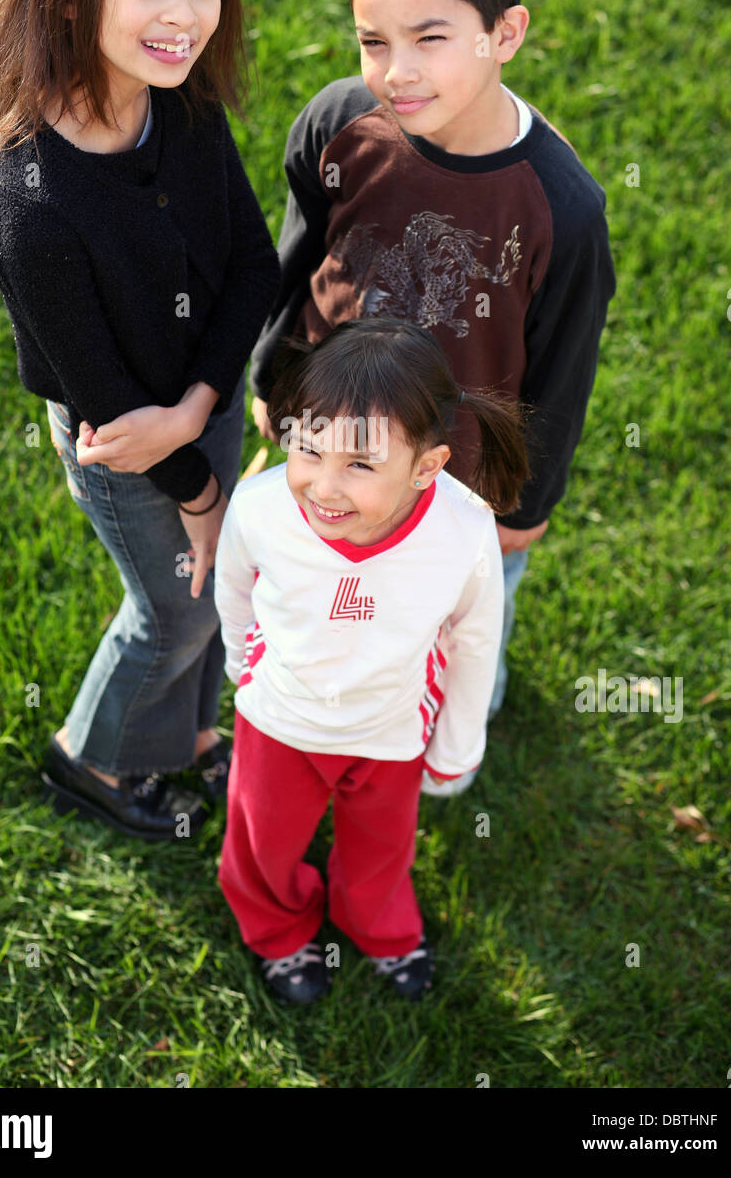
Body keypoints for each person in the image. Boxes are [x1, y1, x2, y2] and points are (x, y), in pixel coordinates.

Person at [247, 0, 615, 794]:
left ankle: (452, 734)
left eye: (431, 38)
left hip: (466, 474)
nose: (396, 71)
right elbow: (296, 263)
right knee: (335, 582)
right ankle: (328, 697)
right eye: (374, 42)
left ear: (506, 32)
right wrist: (272, 374)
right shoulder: (340, 125)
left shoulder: (561, 207)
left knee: (456, 616)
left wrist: (524, 507)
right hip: (340, 436)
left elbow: (563, 375)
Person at [0, 0, 280, 840]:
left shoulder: (179, 104)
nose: (183, 14)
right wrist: (197, 490)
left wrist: (197, 407)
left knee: (213, 586)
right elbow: (111, 407)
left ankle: (182, 740)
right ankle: (91, 757)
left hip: (199, 403)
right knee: (176, 611)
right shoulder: (28, 203)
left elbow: (253, 268)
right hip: (122, 452)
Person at [214, 317, 530, 1003]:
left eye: (359, 464)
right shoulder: (261, 509)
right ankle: (279, 932)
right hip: (279, 720)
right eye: (308, 448)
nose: (324, 488)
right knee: (262, 840)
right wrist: (246, 665)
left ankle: (378, 926)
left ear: (426, 467)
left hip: (390, 731)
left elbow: (475, 642)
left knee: (382, 850)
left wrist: (456, 744)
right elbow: (234, 589)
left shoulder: (464, 530)